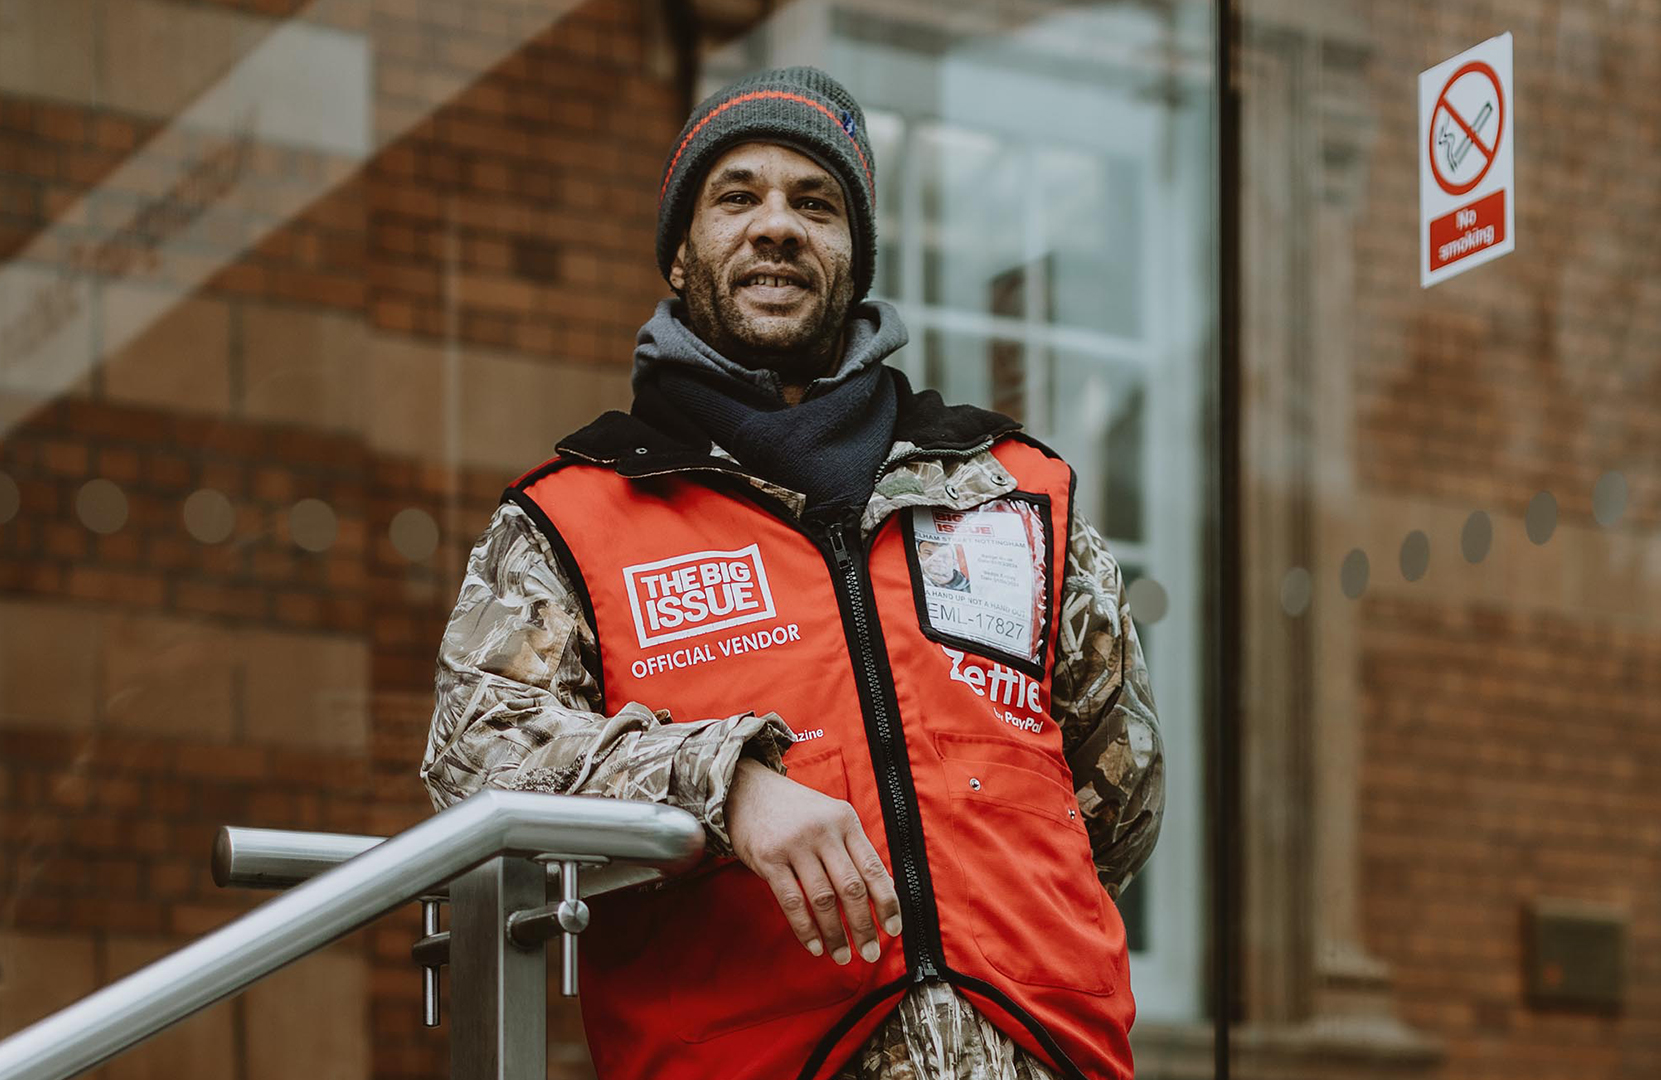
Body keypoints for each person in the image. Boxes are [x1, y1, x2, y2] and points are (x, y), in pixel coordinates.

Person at [421, 66, 1163, 1080]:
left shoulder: (1011, 492)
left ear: (853, 255)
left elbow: (1119, 800)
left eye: (815, 202)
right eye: (738, 196)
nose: (778, 226)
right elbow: (472, 757)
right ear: (681, 254)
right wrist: (722, 788)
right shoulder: (573, 517)